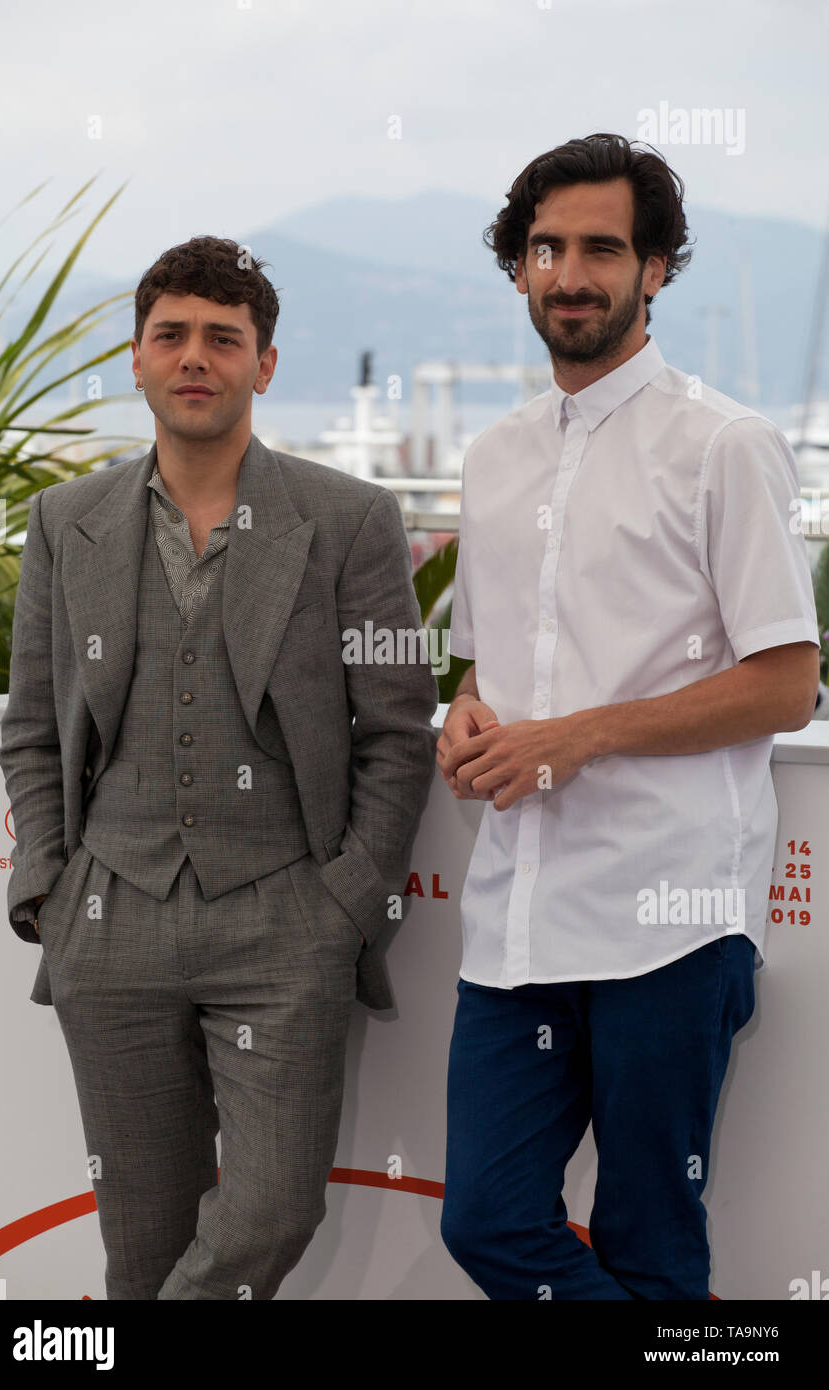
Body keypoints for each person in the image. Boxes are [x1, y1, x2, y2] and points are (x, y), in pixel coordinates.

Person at [0, 236, 438, 1300]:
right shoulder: (67, 521)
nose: (195, 357)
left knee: (275, 1205)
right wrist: (50, 887)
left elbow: (396, 727)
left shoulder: (348, 520)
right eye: (172, 336)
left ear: (263, 364)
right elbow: (28, 725)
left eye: (223, 339)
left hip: (284, 919)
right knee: (140, 1239)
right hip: (109, 917)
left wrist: (340, 904)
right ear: (139, 359)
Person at [437, 133, 819, 1300]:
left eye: (602, 248)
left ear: (654, 267)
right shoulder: (492, 457)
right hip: (515, 920)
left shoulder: (723, 444)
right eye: (544, 247)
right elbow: (478, 670)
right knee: (487, 1220)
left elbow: (786, 682)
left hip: (669, 917)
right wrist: (466, 719)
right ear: (515, 268)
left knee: (653, 1244)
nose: (570, 273)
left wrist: (576, 735)